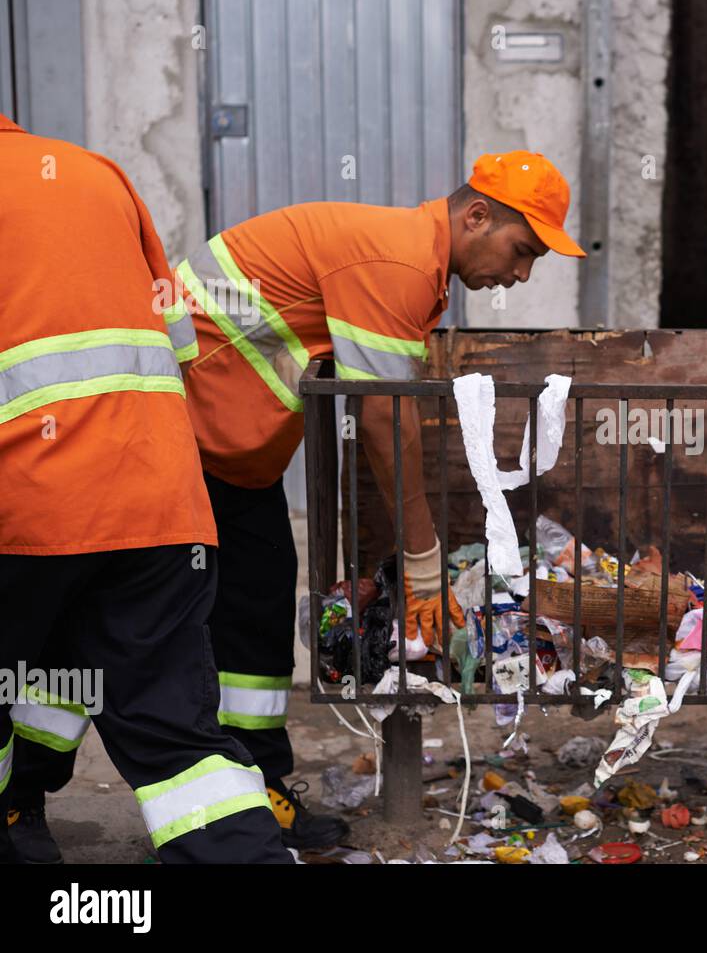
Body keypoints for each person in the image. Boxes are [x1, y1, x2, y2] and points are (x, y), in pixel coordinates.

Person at [8, 150, 585, 860]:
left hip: (225, 456)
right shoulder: (397, 260)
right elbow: (385, 417)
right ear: (476, 215)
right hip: (181, 444)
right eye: (522, 250)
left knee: (255, 611)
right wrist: (423, 558)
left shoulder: (407, 261)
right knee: (102, 626)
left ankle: (256, 783)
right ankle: (20, 797)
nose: (520, 274)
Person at [0, 112, 290, 863]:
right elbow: (182, 340)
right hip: (158, 500)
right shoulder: (98, 173)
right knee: (178, 738)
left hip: (26, 503)